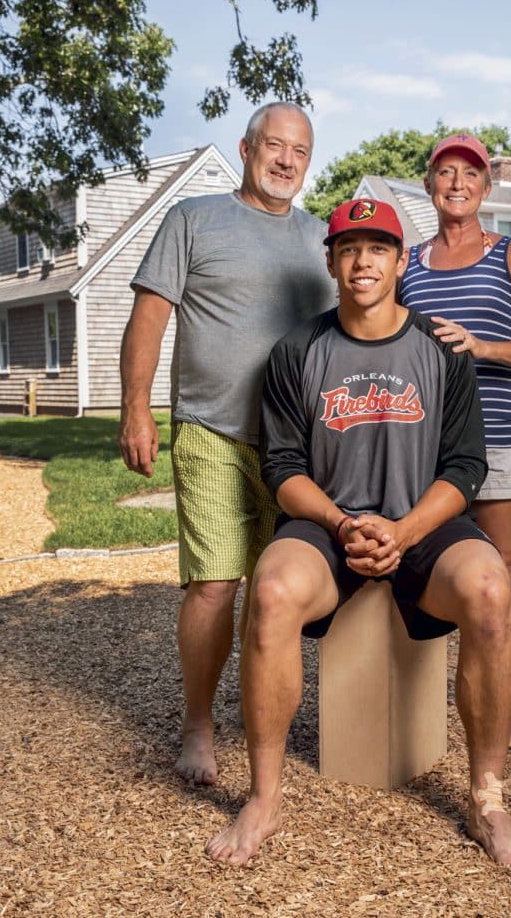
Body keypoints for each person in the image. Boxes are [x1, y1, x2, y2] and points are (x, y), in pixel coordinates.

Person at [206, 198, 511, 867]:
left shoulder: (439, 348)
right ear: (330, 262)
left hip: (421, 525)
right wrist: (340, 522)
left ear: (398, 262)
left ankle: (488, 800)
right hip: (327, 525)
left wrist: (405, 530)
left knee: (491, 591)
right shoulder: (297, 350)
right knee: (270, 592)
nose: (363, 261)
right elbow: (282, 468)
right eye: (349, 249)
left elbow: (465, 466)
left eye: (378, 248)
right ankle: (264, 799)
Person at [119, 102, 336, 786]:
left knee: (275, 588)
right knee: (215, 583)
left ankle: (258, 714)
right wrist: (135, 409)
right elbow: (149, 316)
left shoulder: (322, 240)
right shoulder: (193, 219)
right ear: (246, 148)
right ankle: (198, 724)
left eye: (299, 152)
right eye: (274, 145)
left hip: (294, 447)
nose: (285, 161)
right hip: (210, 428)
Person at [399, 133, 511, 752]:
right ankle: (413, 705)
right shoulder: (408, 262)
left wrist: (480, 345)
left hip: (492, 435)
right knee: (422, 565)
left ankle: (502, 703)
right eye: (446, 172)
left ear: (487, 187)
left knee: (500, 572)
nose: (457, 183)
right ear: (429, 185)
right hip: (421, 446)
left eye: (470, 174)